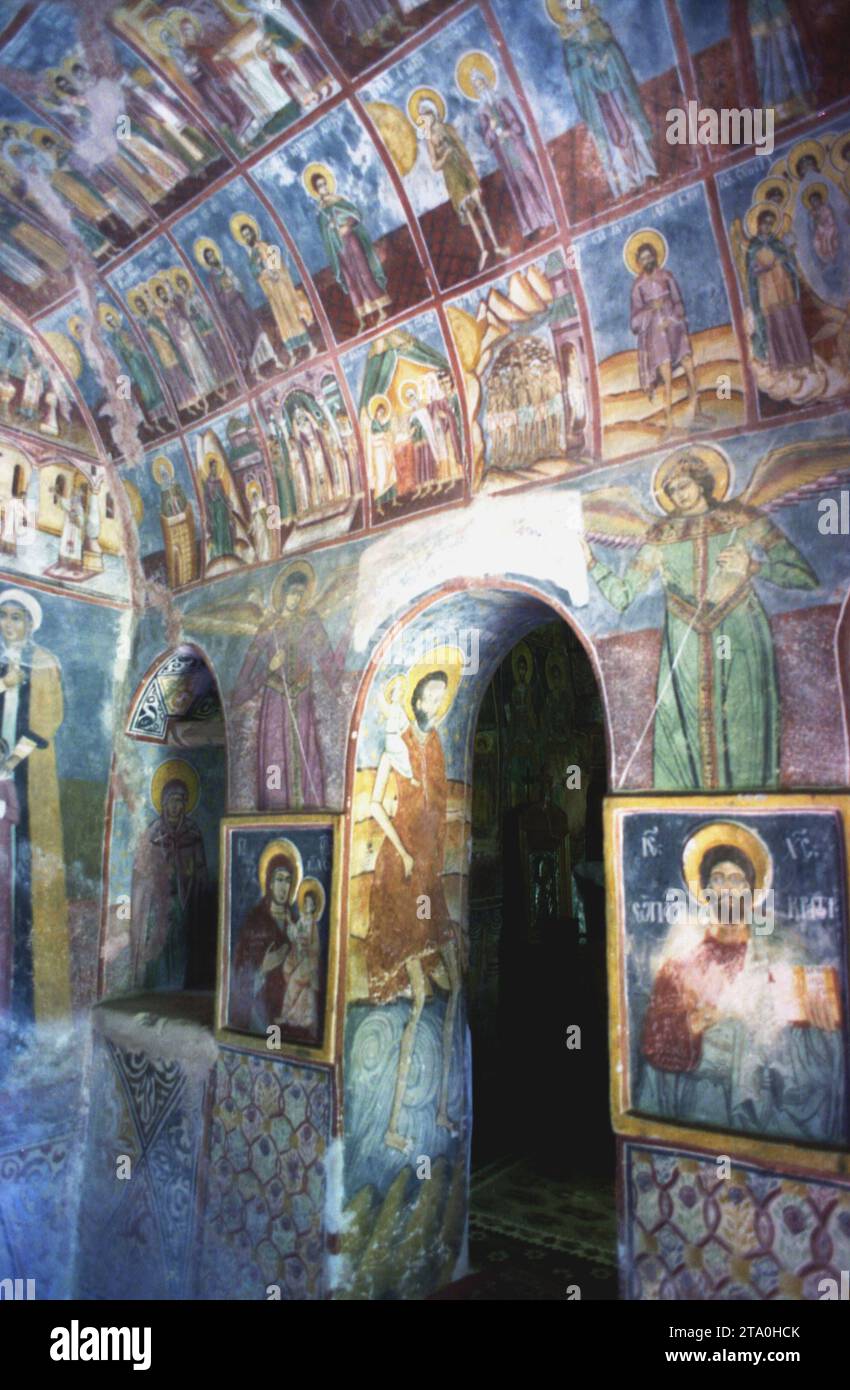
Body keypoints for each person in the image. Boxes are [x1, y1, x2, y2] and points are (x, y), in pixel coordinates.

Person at [582, 450, 819, 790]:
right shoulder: (662, 536)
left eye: (684, 484)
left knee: (743, 720)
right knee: (682, 733)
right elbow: (623, 595)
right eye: (672, 489)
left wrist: (752, 567)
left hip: (740, 633)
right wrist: (592, 563)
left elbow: (804, 577)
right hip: (685, 639)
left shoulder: (742, 520)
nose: (679, 494)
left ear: (703, 482)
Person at [638, 830, 843, 1141]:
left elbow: (808, 1047)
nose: (727, 889)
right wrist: (696, 1023)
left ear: (752, 890)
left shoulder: (782, 952)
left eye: (737, 879)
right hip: (705, 1104)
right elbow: (657, 1041)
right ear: (705, 890)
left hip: (768, 1104)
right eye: (718, 878)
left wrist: (819, 1031)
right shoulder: (681, 962)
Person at [366, 667, 462, 1152]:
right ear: (415, 700)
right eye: (429, 695)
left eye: (442, 697)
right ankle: (391, 1126)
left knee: (454, 988)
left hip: (429, 875)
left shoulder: (437, 747)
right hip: (403, 876)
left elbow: (439, 809)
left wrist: (434, 860)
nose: (436, 703)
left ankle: (444, 1107)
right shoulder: (397, 747)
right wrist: (402, 853)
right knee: (422, 999)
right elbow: (375, 808)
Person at [0, 588, 69, 1024]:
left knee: (25, 893)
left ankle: (24, 1007)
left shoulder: (44, 664)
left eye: (16, 618)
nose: (9, 625)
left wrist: (9, 762)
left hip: (27, 776)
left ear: (30, 623)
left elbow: (49, 720)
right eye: (4, 617)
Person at [232, 566, 343, 809]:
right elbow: (244, 676)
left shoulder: (310, 623)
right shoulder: (269, 626)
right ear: (282, 594)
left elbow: (327, 660)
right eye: (292, 593)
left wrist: (346, 636)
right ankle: (274, 803)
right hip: (276, 698)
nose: (296, 598)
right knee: (275, 756)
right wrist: (269, 669)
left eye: (301, 594)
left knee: (307, 755)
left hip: (301, 696)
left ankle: (309, 805)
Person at [130, 766, 209, 990]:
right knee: (159, 952)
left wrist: (193, 884)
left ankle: (182, 988)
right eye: (172, 801)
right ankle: (156, 990)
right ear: (163, 803)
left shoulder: (193, 835)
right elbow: (141, 876)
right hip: (158, 906)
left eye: (180, 801)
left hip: (184, 906)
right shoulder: (153, 834)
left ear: (186, 804)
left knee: (183, 950)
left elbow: (202, 873)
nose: (176, 806)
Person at [628, 236, 713, 439]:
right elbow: (634, 322)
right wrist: (651, 310)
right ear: (638, 263)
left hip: (675, 330)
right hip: (657, 334)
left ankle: (699, 413)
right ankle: (669, 425)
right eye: (643, 258)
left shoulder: (667, 276)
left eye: (650, 256)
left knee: (690, 369)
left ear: (656, 257)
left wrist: (674, 318)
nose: (647, 261)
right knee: (667, 379)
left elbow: (678, 302)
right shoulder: (637, 286)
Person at [413, 94, 508, 271]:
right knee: (470, 215)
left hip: (463, 169)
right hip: (452, 177)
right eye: (422, 115)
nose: (425, 116)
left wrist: (471, 172)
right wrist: (446, 156)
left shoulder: (448, 129)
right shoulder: (429, 139)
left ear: (433, 111)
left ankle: (497, 246)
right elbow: (435, 165)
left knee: (482, 208)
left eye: (426, 112)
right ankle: (483, 250)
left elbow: (462, 150)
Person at [310, 170, 390, 330]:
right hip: (339, 248)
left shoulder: (339, 201)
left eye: (324, 184)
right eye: (319, 187)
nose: (323, 188)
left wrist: (345, 224)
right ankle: (362, 318)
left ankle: (381, 310)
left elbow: (356, 215)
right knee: (351, 281)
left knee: (364, 273)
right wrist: (330, 228)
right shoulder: (321, 213)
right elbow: (325, 237)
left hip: (351, 241)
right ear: (316, 191)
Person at [230, 847, 299, 1032]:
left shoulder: (296, 921)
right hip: (261, 1006)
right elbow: (240, 967)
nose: (284, 886)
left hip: (291, 1005)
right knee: (271, 1045)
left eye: (288, 881)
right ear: (269, 882)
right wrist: (260, 970)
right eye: (279, 880)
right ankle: (271, 1047)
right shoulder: (255, 919)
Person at [745, 207, 813, 372]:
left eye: (770, 224)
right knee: (775, 322)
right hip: (767, 290)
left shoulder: (777, 243)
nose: (768, 227)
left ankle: (800, 358)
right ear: (758, 224)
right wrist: (764, 268)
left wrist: (787, 256)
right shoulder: (753, 247)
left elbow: (789, 261)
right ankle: (782, 362)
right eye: (765, 223)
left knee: (790, 317)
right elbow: (751, 273)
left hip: (783, 286)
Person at [278, 878, 323, 1039]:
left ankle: (288, 1015)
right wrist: (290, 922)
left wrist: (306, 948)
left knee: (294, 982)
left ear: (314, 906)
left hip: (309, 961)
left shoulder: (313, 924)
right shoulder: (302, 921)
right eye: (306, 903)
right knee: (290, 976)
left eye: (311, 903)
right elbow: (294, 934)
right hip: (299, 957)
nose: (307, 906)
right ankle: (295, 1017)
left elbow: (316, 947)